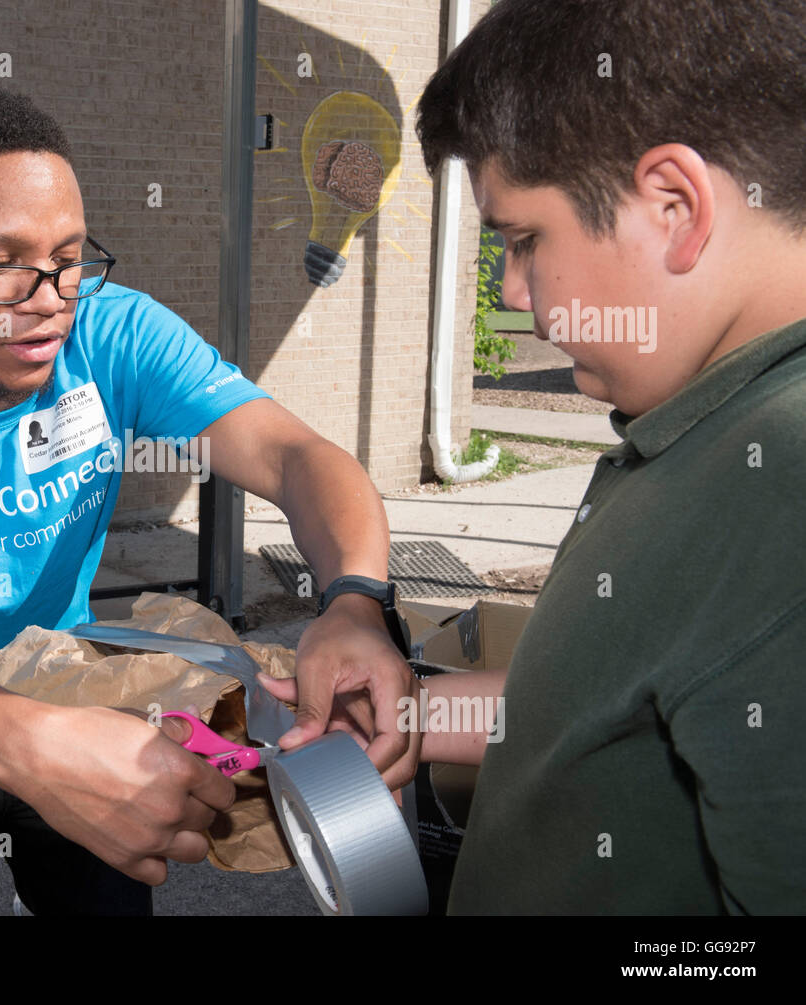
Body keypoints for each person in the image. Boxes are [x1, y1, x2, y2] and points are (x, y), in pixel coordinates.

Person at [0, 85, 413, 915]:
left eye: (66, 257)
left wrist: (355, 599)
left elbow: (295, 454)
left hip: (70, 696)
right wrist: (28, 743)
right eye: (1, 266)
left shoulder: (112, 335)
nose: (50, 299)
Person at [264, 0, 806, 914]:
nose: (512, 288)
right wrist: (418, 715)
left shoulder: (780, 488)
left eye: (522, 240)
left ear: (674, 206)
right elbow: (609, 703)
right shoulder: (699, 430)